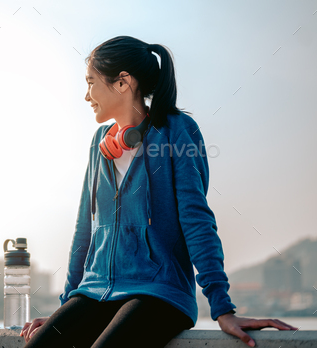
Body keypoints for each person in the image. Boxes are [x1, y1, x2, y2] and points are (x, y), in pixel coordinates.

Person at [19, 36, 298, 348]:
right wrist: (66, 309)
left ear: (123, 82)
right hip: (95, 291)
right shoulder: (99, 144)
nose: (86, 96)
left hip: (160, 293)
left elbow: (196, 220)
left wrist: (222, 308)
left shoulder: (177, 131)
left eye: (91, 83)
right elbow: (85, 229)